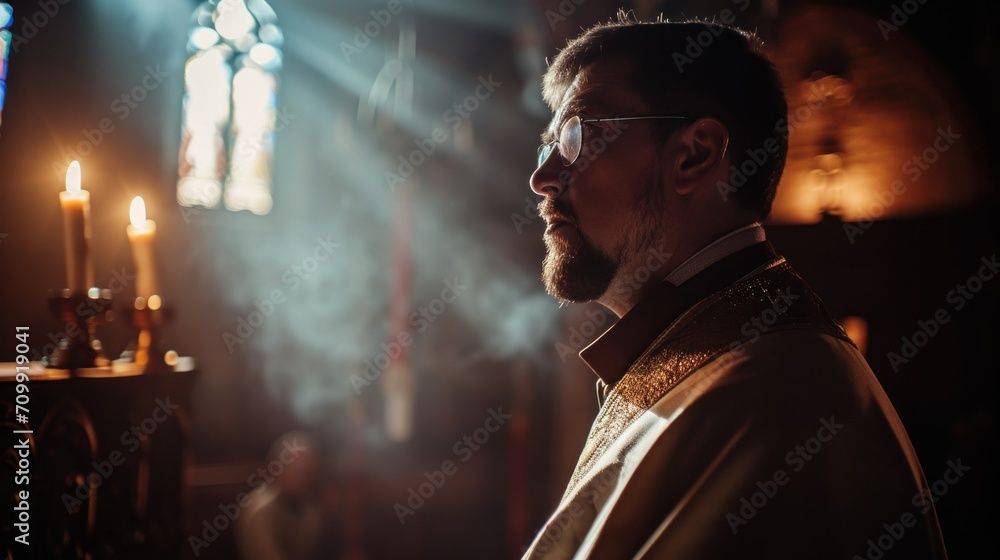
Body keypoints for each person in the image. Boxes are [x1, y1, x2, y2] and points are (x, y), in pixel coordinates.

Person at [523, 13, 947, 559]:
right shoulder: (703, 361)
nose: (543, 176)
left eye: (580, 134)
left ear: (694, 155)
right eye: (548, 144)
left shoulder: (777, 394)